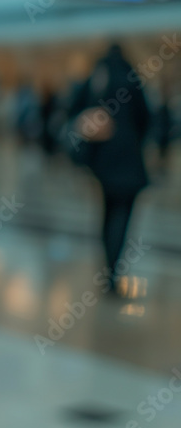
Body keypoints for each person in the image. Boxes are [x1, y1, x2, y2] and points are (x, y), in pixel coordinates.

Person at [68, 44, 149, 294]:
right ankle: (113, 271)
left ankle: (108, 268)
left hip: (104, 159)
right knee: (122, 217)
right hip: (130, 160)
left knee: (107, 212)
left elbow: (74, 110)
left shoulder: (96, 76)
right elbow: (145, 117)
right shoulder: (131, 76)